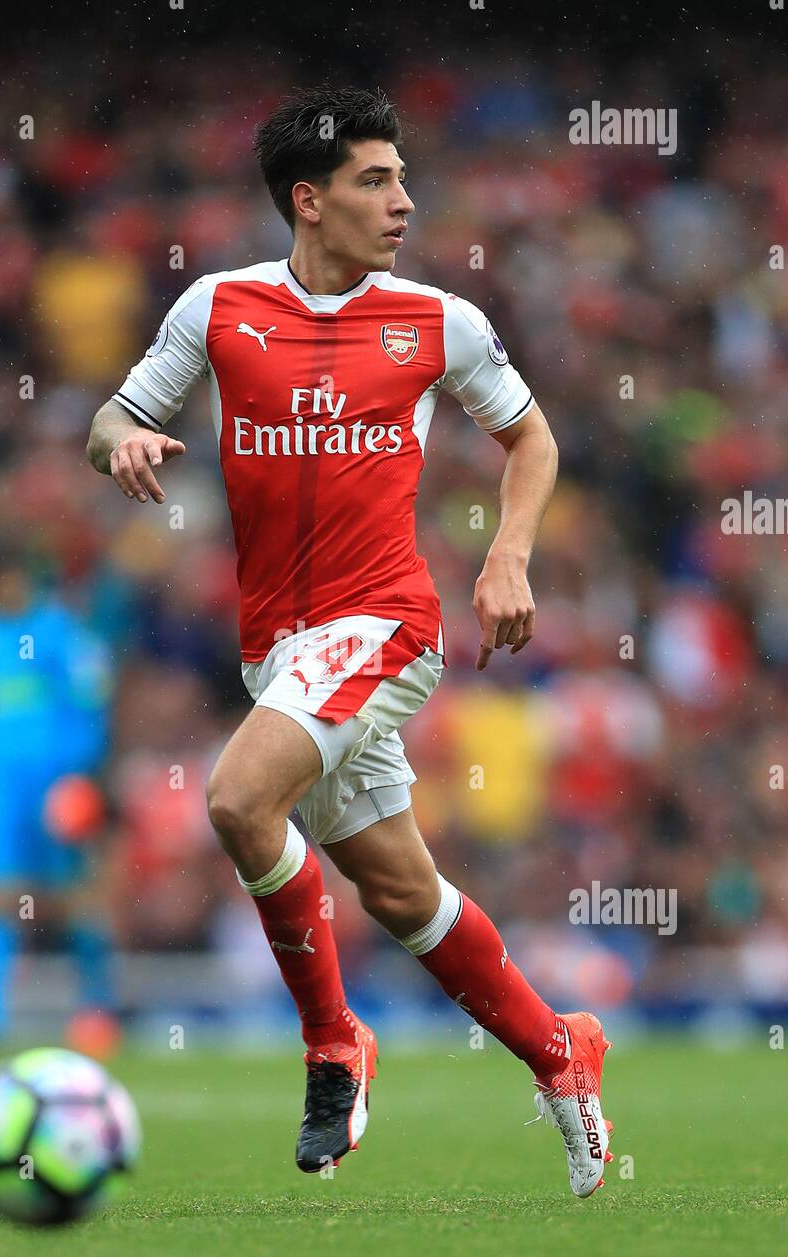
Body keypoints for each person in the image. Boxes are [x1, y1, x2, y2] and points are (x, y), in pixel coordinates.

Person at [86, 83, 613, 1195]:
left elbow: (532, 442)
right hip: (273, 645)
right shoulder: (218, 308)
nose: (403, 203)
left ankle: (333, 1041)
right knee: (398, 892)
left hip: (385, 620)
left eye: (403, 179)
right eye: (377, 182)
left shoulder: (436, 322)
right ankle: (561, 1051)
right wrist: (123, 438)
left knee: (235, 801)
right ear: (307, 199)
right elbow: (110, 418)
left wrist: (507, 556)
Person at [0, 554, 121, 1064]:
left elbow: (92, 702)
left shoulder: (63, 631)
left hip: (56, 786)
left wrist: (80, 774)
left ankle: (95, 1008)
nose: (5, 588)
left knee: (77, 893)